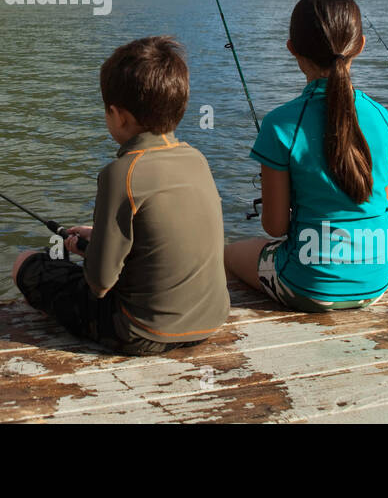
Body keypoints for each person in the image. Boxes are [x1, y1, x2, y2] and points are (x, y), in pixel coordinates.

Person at [12, 35, 230, 355]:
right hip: (211, 319)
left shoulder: (120, 173)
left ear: (119, 115)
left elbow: (99, 283)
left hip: (142, 332)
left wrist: (93, 252)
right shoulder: (197, 159)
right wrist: (98, 240)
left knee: (26, 264)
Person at [225, 0, 388, 311]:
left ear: (292, 49)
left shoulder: (280, 124)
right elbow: (385, 203)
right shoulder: (382, 116)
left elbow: (275, 227)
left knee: (230, 253)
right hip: (378, 281)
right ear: (360, 46)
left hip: (308, 286)